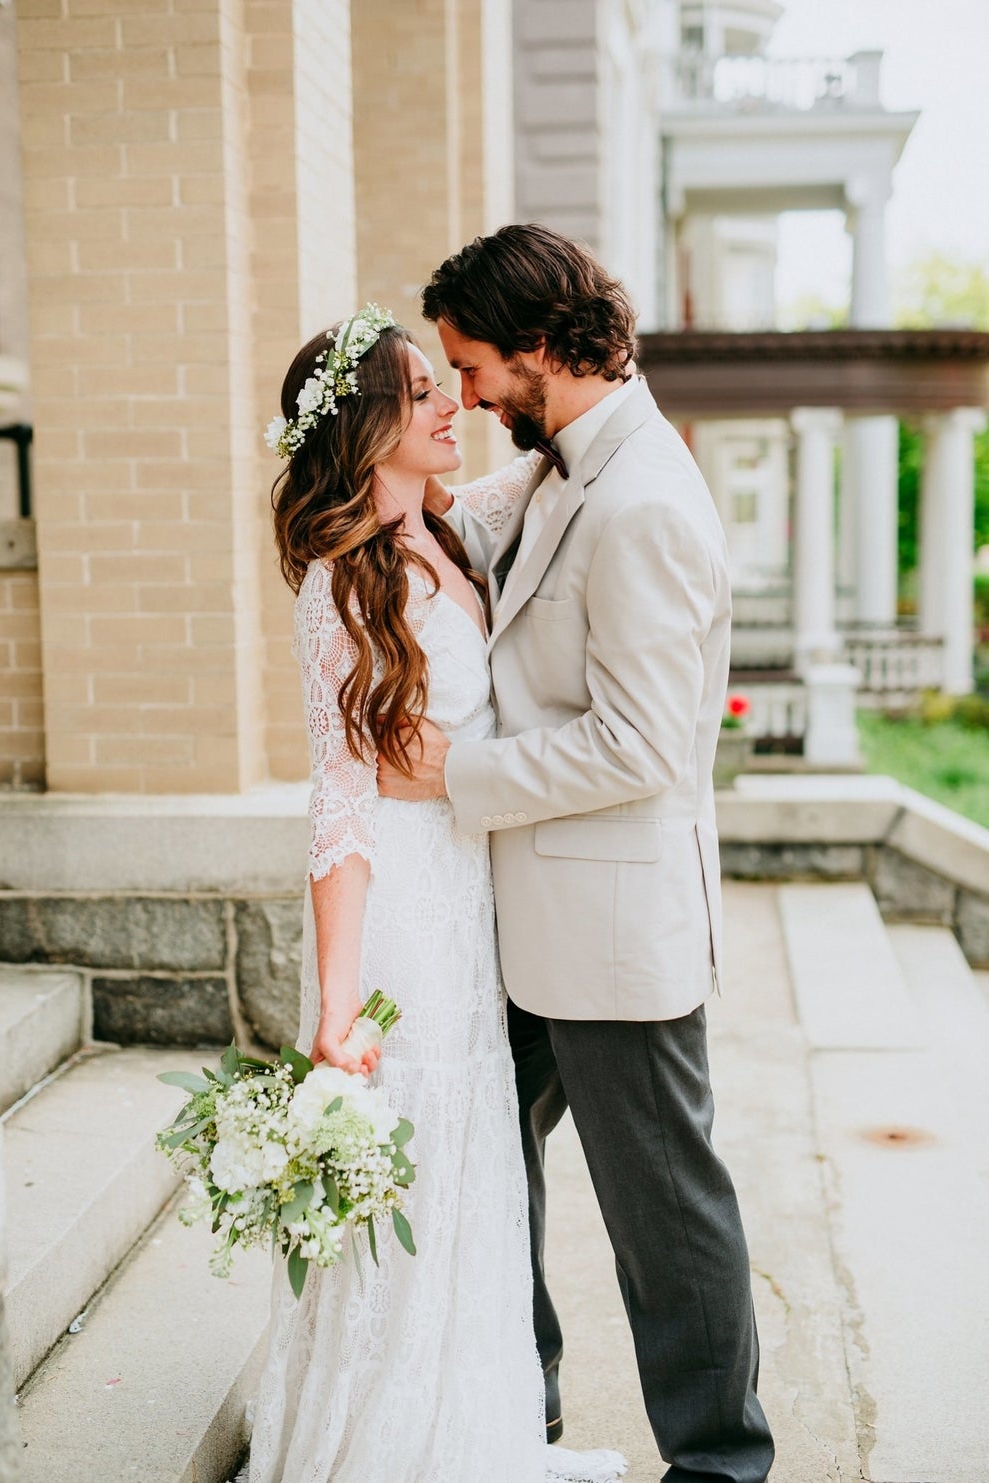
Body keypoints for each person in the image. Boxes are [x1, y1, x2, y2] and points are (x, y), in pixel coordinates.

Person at [377, 225, 776, 1483]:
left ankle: (720, 1462)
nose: (470, 395)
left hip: (613, 940)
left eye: (475, 367)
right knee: (490, 1150)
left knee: (666, 1214)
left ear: (543, 348)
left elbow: (645, 745)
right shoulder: (563, 466)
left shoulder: (647, 498)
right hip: (528, 926)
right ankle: (516, 1394)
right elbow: (455, 520)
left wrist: (460, 777)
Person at [241, 304, 625, 1483]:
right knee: (414, 1153)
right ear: (366, 429)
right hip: (403, 910)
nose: (451, 404)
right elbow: (341, 805)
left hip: (472, 898)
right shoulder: (339, 585)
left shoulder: (447, 541)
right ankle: (382, 1445)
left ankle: (474, 1431)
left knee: (470, 1168)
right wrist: (338, 1008)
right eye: (422, 393)